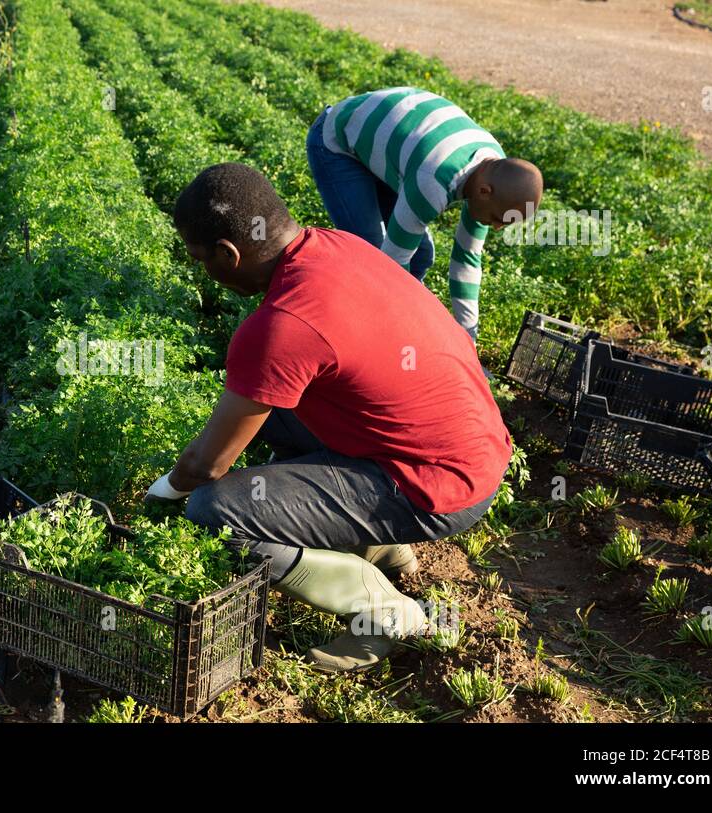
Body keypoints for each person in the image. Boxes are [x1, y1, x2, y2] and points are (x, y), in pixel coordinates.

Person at [146, 163, 513, 673]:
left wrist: (165, 492)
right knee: (267, 413)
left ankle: (385, 614)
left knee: (213, 511)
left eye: (200, 260)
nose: (202, 271)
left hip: (440, 485)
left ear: (229, 255)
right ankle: (378, 546)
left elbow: (207, 467)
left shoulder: (281, 325)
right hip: (471, 446)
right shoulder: (340, 245)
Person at [306, 86, 543, 341]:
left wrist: (468, 341)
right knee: (373, 257)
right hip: (337, 143)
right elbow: (391, 266)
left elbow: (467, 258)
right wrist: (413, 341)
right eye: (498, 219)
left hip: (393, 147)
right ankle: (354, 333)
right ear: (484, 191)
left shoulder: (497, 171)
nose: (496, 227)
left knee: (419, 257)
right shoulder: (434, 180)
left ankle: (388, 324)